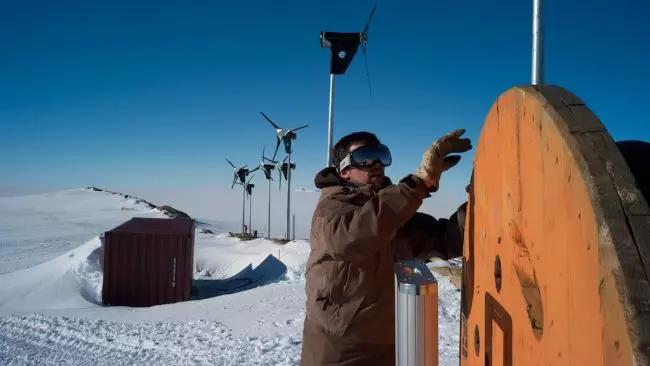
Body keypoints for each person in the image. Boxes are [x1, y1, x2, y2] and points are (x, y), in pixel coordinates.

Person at [300, 129, 472, 366]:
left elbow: (444, 238)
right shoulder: (332, 207)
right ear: (344, 170)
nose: (377, 164)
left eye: (382, 155)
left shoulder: (392, 210)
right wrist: (418, 183)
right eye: (365, 157)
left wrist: (478, 202)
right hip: (339, 345)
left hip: (388, 341)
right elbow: (354, 236)